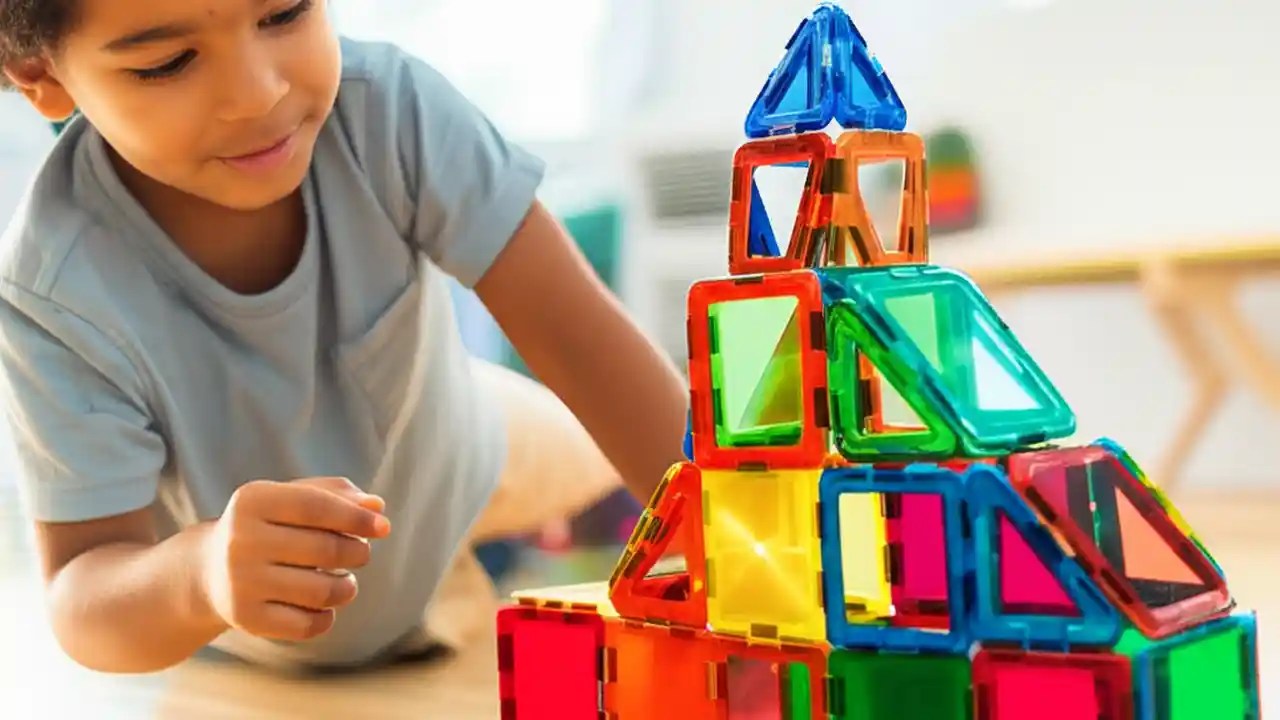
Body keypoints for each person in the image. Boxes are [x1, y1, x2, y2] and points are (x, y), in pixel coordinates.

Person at [0, 0, 688, 674]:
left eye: (285, 13)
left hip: (467, 451)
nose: (257, 93)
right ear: (42, 76)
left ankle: (579, 522)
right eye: (169, 62)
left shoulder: (390, 112)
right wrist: (201, 574)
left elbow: (579, 339)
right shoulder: (52, 291)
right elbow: (82, 595)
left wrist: (745, 540)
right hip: (280, 634)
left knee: (628, 460)